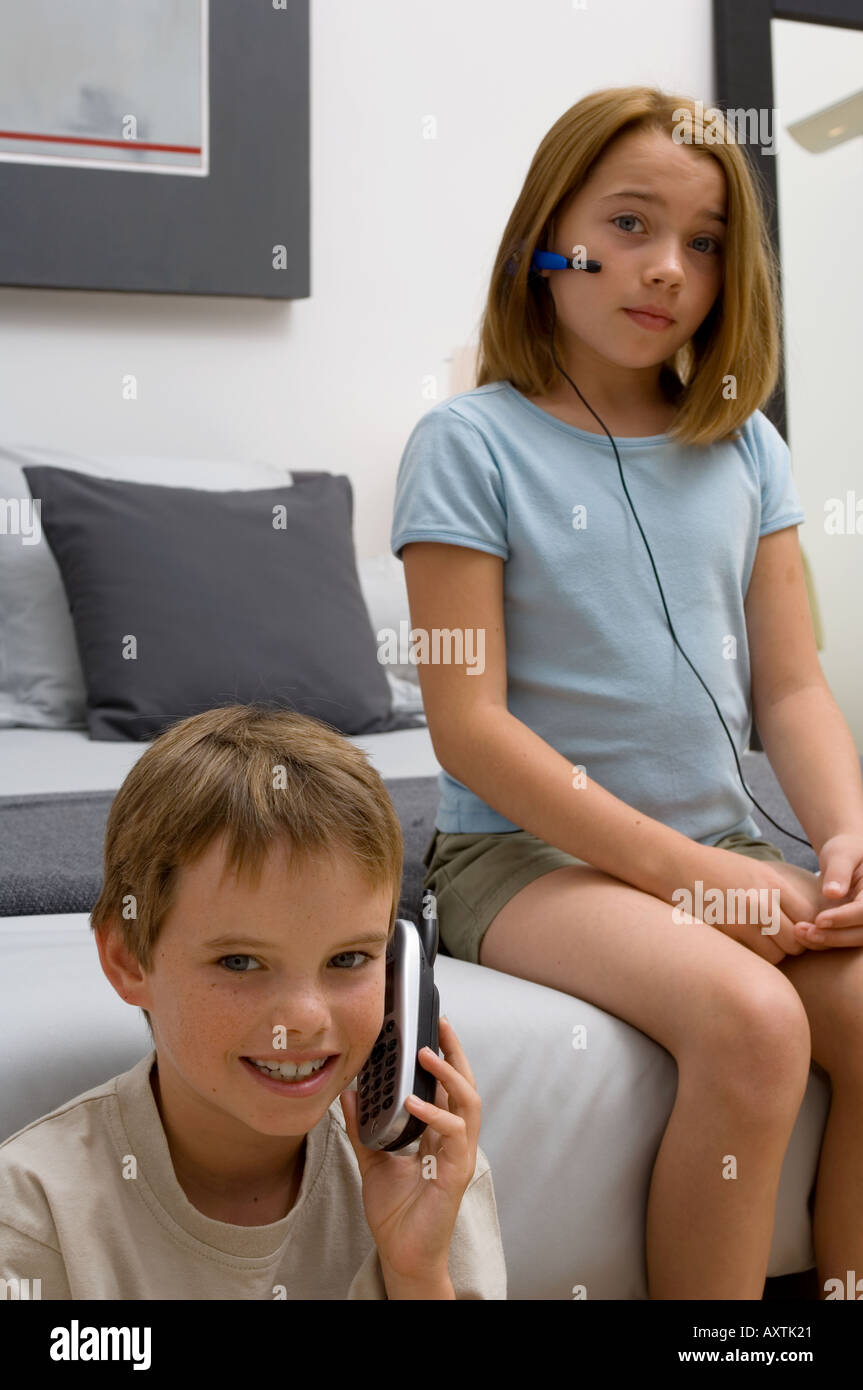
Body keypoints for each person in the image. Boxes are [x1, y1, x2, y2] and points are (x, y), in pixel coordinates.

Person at [390, 85, 863, 1300]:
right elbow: (469, 728)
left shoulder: (745, 446)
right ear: (547, 240)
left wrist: (840, 834)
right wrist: (705, 887)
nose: (665, 270)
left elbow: (792, 687)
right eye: (631, 224)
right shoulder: (467, 445)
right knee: (754, 1023)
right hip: (523, 861)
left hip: (717, 841)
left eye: (702, 242)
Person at [0, 704, 506, 1299]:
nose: (306, 1019)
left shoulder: (429, 1171)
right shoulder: (36, 1217)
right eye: (239, 962)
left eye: (348, 959)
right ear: (127, 960)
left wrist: (416, 1272)